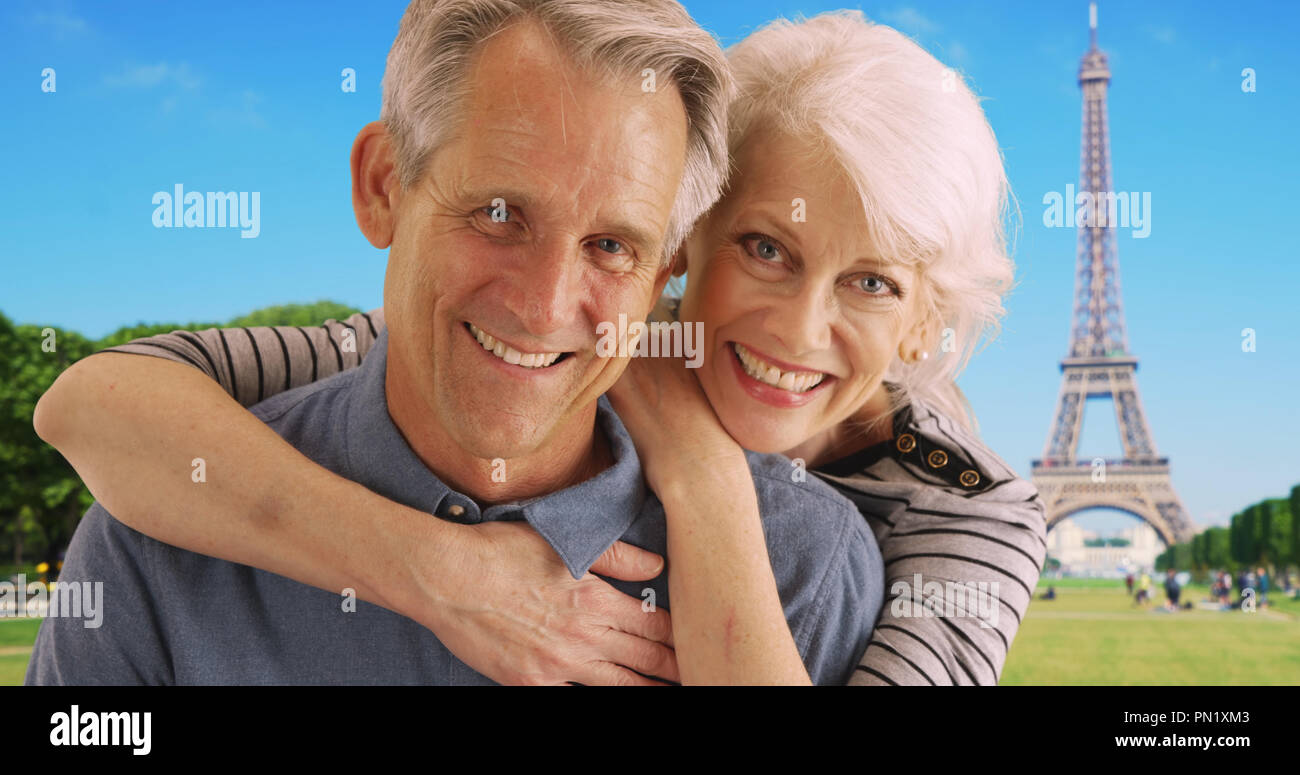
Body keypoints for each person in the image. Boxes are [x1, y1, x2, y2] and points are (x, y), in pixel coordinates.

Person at [32, 8, 1046, 685]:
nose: (544, 298)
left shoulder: (934, 533)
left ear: (658, 262)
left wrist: (702, 474)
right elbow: (95, 405)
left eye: (611, 241)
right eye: (500, 212)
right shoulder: (174, 514)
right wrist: (442, 571)